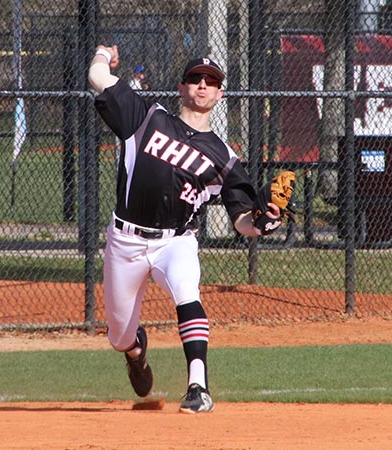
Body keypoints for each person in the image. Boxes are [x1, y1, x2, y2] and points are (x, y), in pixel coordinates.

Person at [88, 45, 282, 413]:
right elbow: (97, 78)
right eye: (196, 79)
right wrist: (102, 53)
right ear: (182, 87)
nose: (203, 86)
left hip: (175, 241)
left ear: (220, 93)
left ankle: (198, 386)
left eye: (212, 81)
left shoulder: (223, 157)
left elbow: (243, 218)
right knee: (118, 336)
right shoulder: (148, 118)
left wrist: (262, 223)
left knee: (186, 291)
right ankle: (135, 351)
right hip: (125, 241)